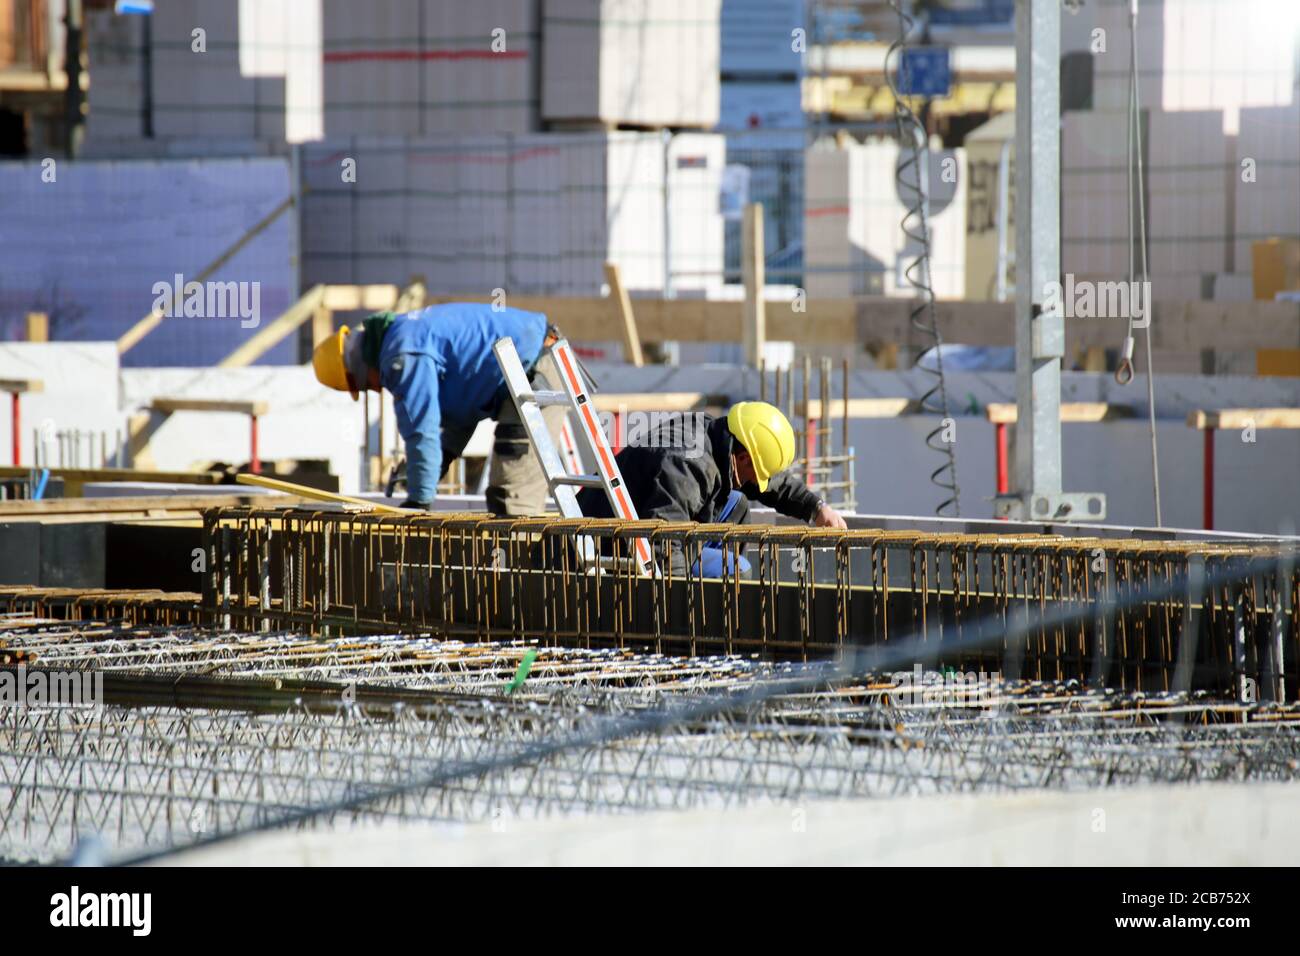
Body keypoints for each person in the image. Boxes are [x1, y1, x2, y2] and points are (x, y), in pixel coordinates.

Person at [311, 302, 566, 514]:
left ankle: (524, 574)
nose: (376, 390)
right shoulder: (405, 335)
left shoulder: (401, 356)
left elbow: (422, 430)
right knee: (506, 502)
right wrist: (441, 457)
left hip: (533, 371)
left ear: (358, 370)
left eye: (364, 386)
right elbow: (466, 405)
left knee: (512, 500)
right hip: (529, 365)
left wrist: (419, 500)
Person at [576, 400, 848, 575]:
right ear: (741, 457)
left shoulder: (717, 435)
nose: (756, 483)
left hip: (644, 521)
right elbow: (664, 543)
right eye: (755, 473)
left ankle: (714, 580)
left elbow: (770, 482)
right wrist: (682, 604)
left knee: (738, 505)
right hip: (613, 547)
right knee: (737, 569)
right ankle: (721, 601)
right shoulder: (687, 465)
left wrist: (816, 507)